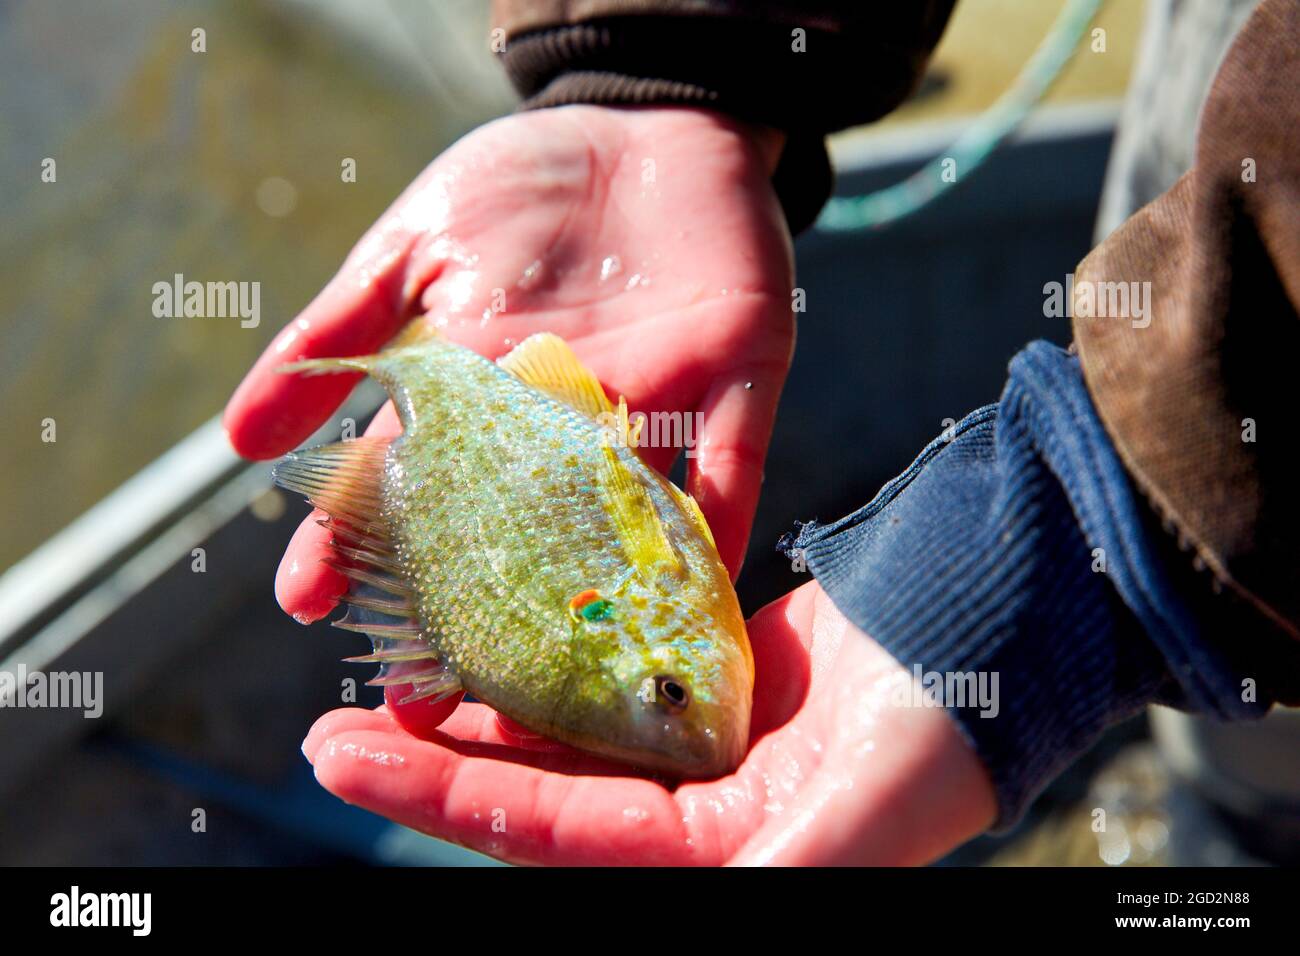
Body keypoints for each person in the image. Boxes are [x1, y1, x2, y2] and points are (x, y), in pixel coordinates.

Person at [222, 0, 1300, 865]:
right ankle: (1233, 822)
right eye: (670, 698)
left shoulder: (631, 603)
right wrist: (676, 59)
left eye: (670, 693)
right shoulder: (638, 605)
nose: (699, 717)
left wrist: (1112, 509)